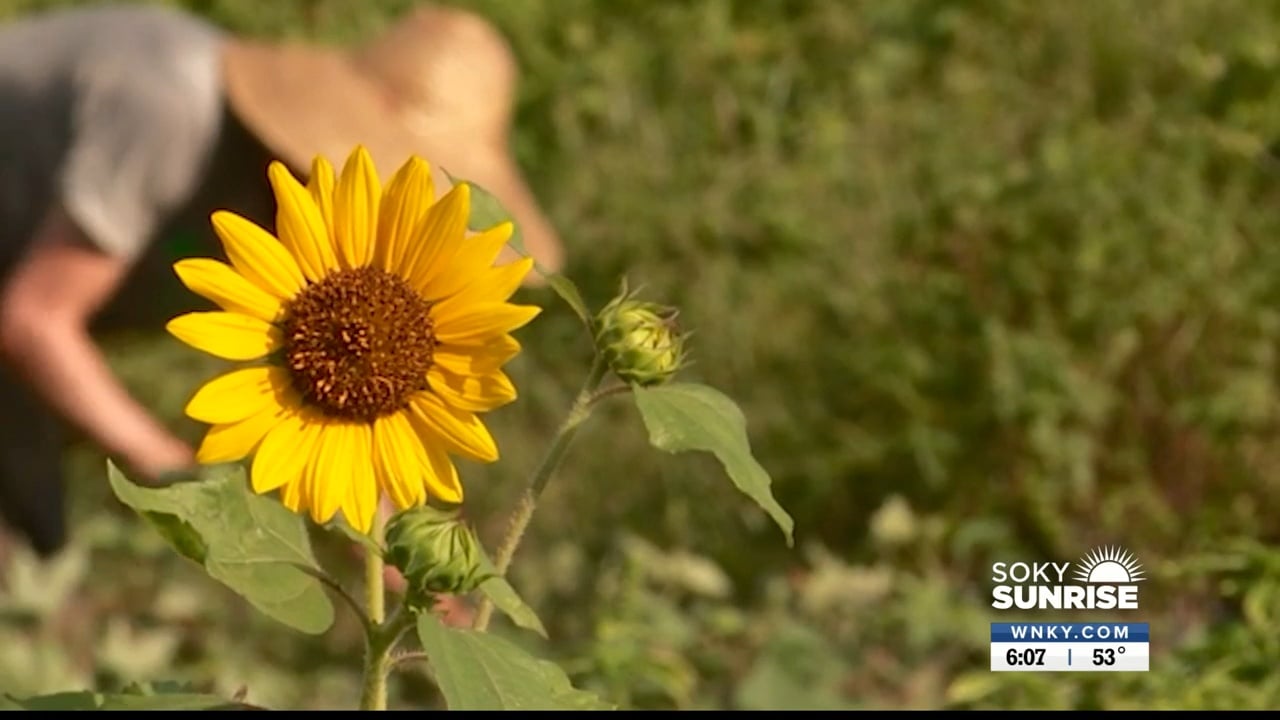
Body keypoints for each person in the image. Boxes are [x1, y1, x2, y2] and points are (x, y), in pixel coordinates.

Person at [0, 3, 564, 561]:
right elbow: (35, 321)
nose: (379, 218)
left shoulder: (277, 204)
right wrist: (188, 483)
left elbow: (347, 428)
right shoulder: (168, 112)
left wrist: (386, 545)